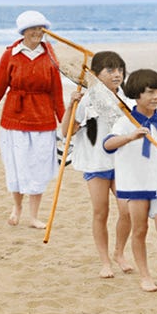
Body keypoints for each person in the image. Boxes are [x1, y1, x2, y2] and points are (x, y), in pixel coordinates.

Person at [0, 10, 64, 228]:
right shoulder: (11, 54)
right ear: (24, 31)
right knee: (17, 166)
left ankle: (33, 216)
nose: (38, 32)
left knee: (39, 168)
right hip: (14, 119)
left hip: (44, 120)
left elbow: (57, 92)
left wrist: (64, 122)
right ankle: (17, 207)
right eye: (33, 28)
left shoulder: (51, 55)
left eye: (41, 28)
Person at [103, 68, 157, 293]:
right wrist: (130, 137)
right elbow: (108, 145)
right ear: (137, 94)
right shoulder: (125, 122)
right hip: (136, 185)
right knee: (139, 230)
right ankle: (145, 276)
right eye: (150, 92)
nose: (156, 97)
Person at [61, 51, 134, 279]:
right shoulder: (87, 99)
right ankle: (105, 261)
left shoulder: (127, 99)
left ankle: (119, 252)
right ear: (96, 74)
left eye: (120, 69)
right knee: (100, 211)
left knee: (127, 210)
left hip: (122, 162)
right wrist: (70, 107)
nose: (117, 74)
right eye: (110, 70)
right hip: (96, 162)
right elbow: (67, 132)